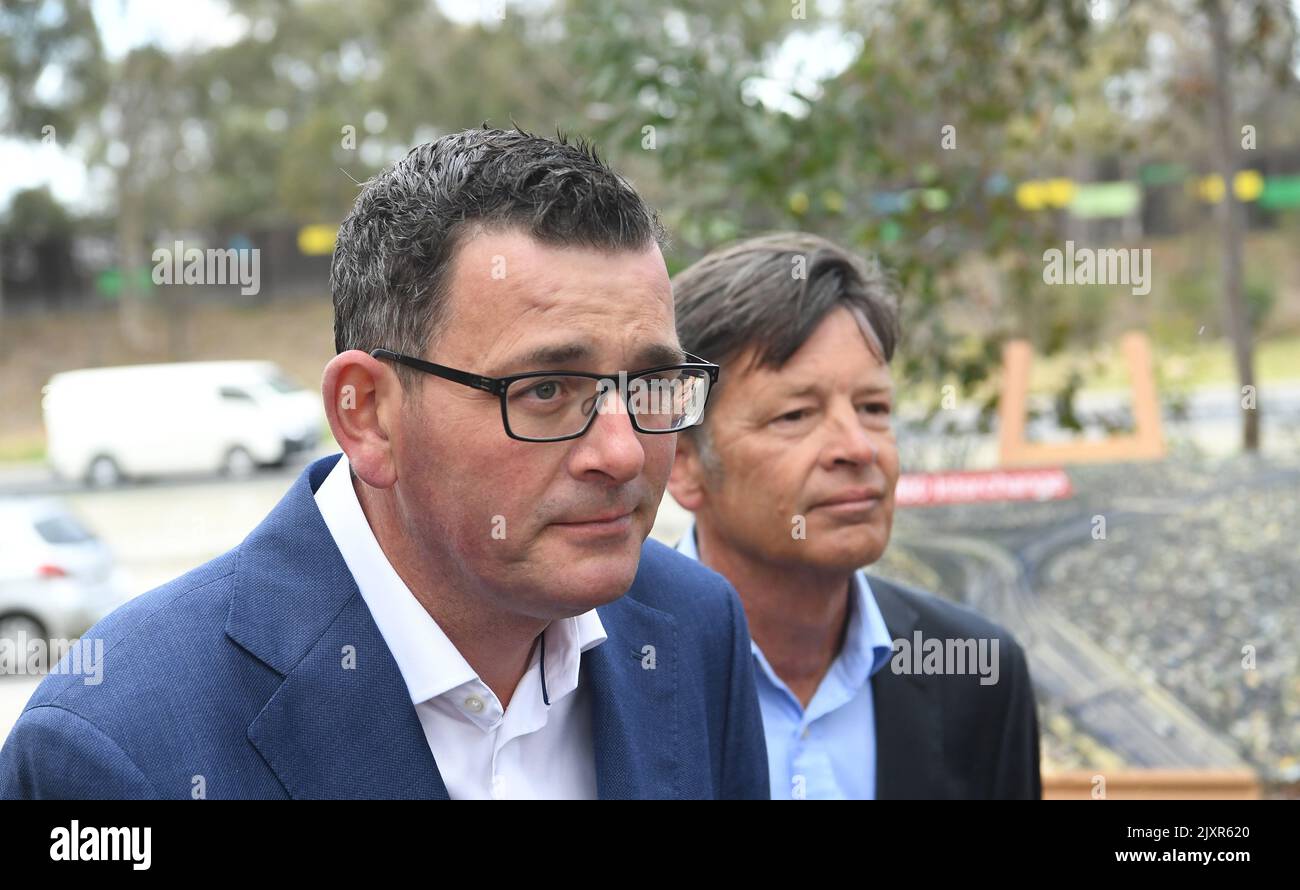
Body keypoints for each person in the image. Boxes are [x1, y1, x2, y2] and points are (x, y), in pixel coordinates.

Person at [0, 126, 768, 800]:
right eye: (544, 390)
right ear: (366, 415)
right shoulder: (120, 743)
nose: (623, 451)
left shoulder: (696, 629)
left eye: (650, 385)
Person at [668, 232, 1041, 799]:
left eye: (873, 408)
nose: (858, 448)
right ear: (684, 463)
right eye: (795, 415)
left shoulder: (975, 673)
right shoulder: (599, 671)